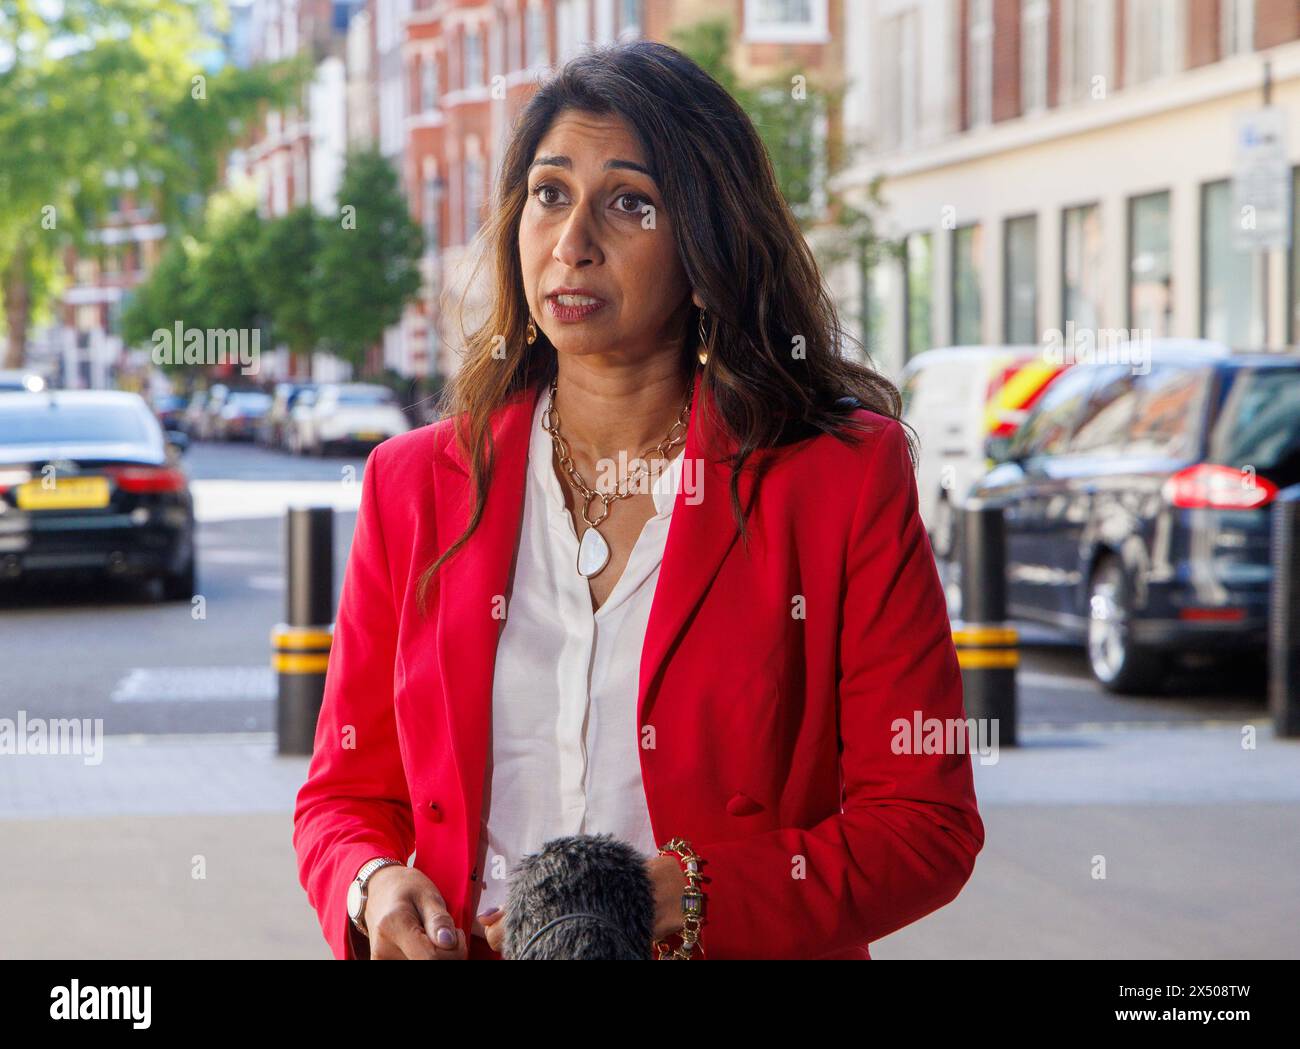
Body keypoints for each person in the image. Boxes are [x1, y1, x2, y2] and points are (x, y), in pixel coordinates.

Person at [293, 40, 984, 961]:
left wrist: (692, 894)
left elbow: (924, 822)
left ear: (706, 247)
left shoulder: (838, 478)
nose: (573, 242)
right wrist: (372, 884)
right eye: (549, 193)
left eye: (629, 203)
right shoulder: (413, 483)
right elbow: (342, 797)